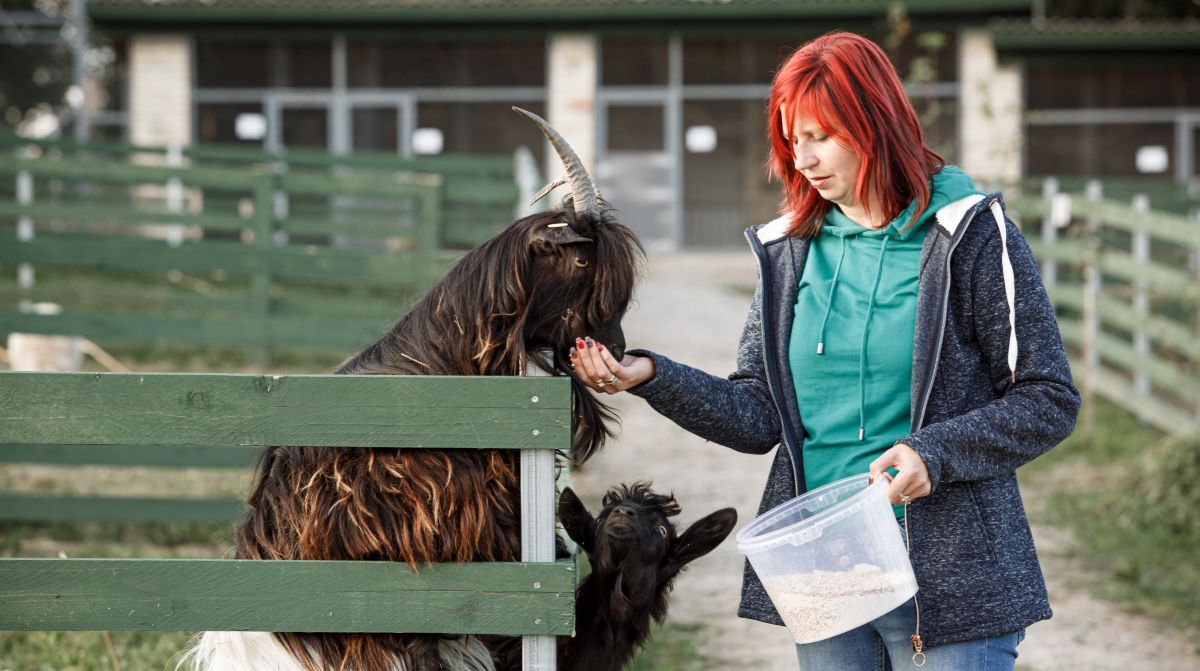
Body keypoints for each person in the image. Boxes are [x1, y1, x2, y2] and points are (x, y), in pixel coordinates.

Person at [569, 31, 1079, 671]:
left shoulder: (970, 235)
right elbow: (758, 417)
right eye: (792, 139)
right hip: (824, 573)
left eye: (821, 136)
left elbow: (1048, 397)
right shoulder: (788, 251)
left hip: (951, 578)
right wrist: (649, 375)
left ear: (877, 124)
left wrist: (934, 454)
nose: (803, 158)